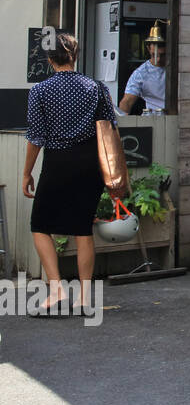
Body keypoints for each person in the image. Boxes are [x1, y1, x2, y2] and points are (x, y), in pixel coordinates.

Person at [22, 32, 116, 314]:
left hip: (58, 162)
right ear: (74, 56)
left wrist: (27, 173)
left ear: (50, 60)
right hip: (90, 165)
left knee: (40, 225)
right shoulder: (97, 87)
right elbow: (110, 130)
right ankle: (85, 297)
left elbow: (36, 138)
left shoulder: (40, 91)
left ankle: (57, 290)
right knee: (82, 228)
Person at [119, 21, 167, 114]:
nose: (158, 59)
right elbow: (127, 102)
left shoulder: (177, 68)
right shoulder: (141, 73)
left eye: (162, 55)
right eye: (154, 55)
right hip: (154, 116)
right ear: (149, 49)